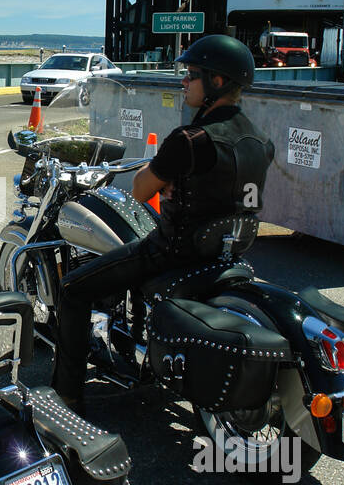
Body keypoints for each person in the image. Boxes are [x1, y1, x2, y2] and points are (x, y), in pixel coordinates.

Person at [50, 35, 275, 414]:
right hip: (228, 248)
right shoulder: (260, 140)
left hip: (173, 252)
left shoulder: (191, 139)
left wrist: (161, 176)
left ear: (216, 82)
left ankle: (66, 397)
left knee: (73, 288)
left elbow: (139, 190)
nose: (183, 81)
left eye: (191, 75)